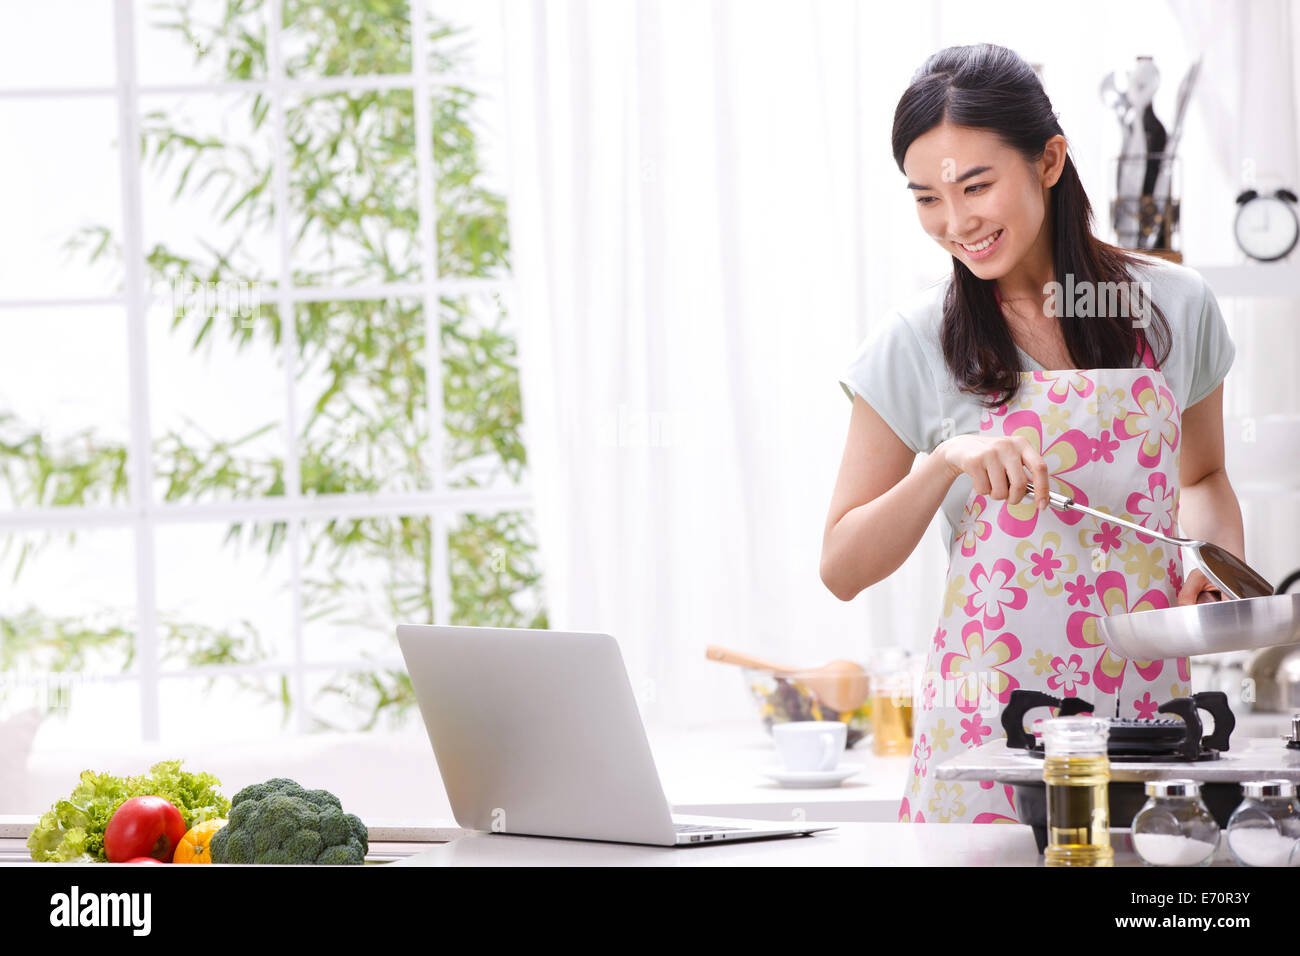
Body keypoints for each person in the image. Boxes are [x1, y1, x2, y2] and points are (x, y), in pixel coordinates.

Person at [819, 43, 1245, 824]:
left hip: (1147, 725)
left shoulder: (1176, 306)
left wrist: (1214, 566)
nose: (957, 223)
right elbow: (843, 565)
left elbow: (1204, 479)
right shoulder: (915, 341)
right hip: (987, 735)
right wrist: (945, 462)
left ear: (1049, 161)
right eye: (927, 199)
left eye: (977, 185)